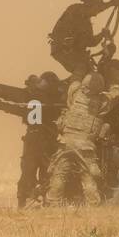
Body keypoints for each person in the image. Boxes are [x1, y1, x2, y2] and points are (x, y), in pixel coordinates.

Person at [46, 69, 105, 208]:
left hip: (66, 142)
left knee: (59, 174)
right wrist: (115, 83)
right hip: (85, 146)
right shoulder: (101, 103)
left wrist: (82, 68)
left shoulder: (74, 94)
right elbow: (116, 95)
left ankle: (53, 203)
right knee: (87, 176)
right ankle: (93, 205)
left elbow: (74, 81)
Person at [16, 72, 62, 208]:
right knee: (45, 170)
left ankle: (23, 200)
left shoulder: (30, 94)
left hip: (33, 137)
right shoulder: (50, 96)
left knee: (28, 170)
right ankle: (43, 200)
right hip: (44, 138)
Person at [48, 0, 119, 77]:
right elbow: (94, 8)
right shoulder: (75, 10)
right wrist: (110, 3)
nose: (96, 14)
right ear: (89, 5)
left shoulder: (86, 22)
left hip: (74, 51)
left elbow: (91, 42)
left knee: (92, 73)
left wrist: (102, 34)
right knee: (81, 67)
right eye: (96, 9)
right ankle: (75, 87)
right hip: (62, 50)